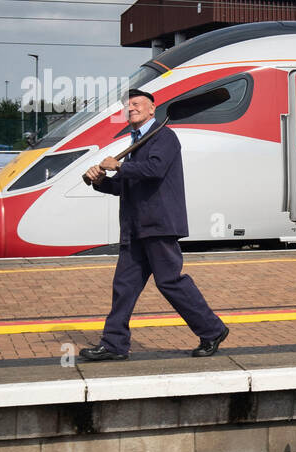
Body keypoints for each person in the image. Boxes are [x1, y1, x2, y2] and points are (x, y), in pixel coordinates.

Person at [80, 89, 228, 361]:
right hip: (135, 228)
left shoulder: (164, 137)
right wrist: (100, 181)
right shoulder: (137, 142)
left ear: (152, 109)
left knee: (170, 281)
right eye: (128, 105)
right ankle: (114, 344)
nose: (131, 108)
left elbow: (154, 170)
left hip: (159, 225)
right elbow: (126, 186)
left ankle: (212, 329)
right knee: (124, 287)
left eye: (137, 103)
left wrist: (120, 167)